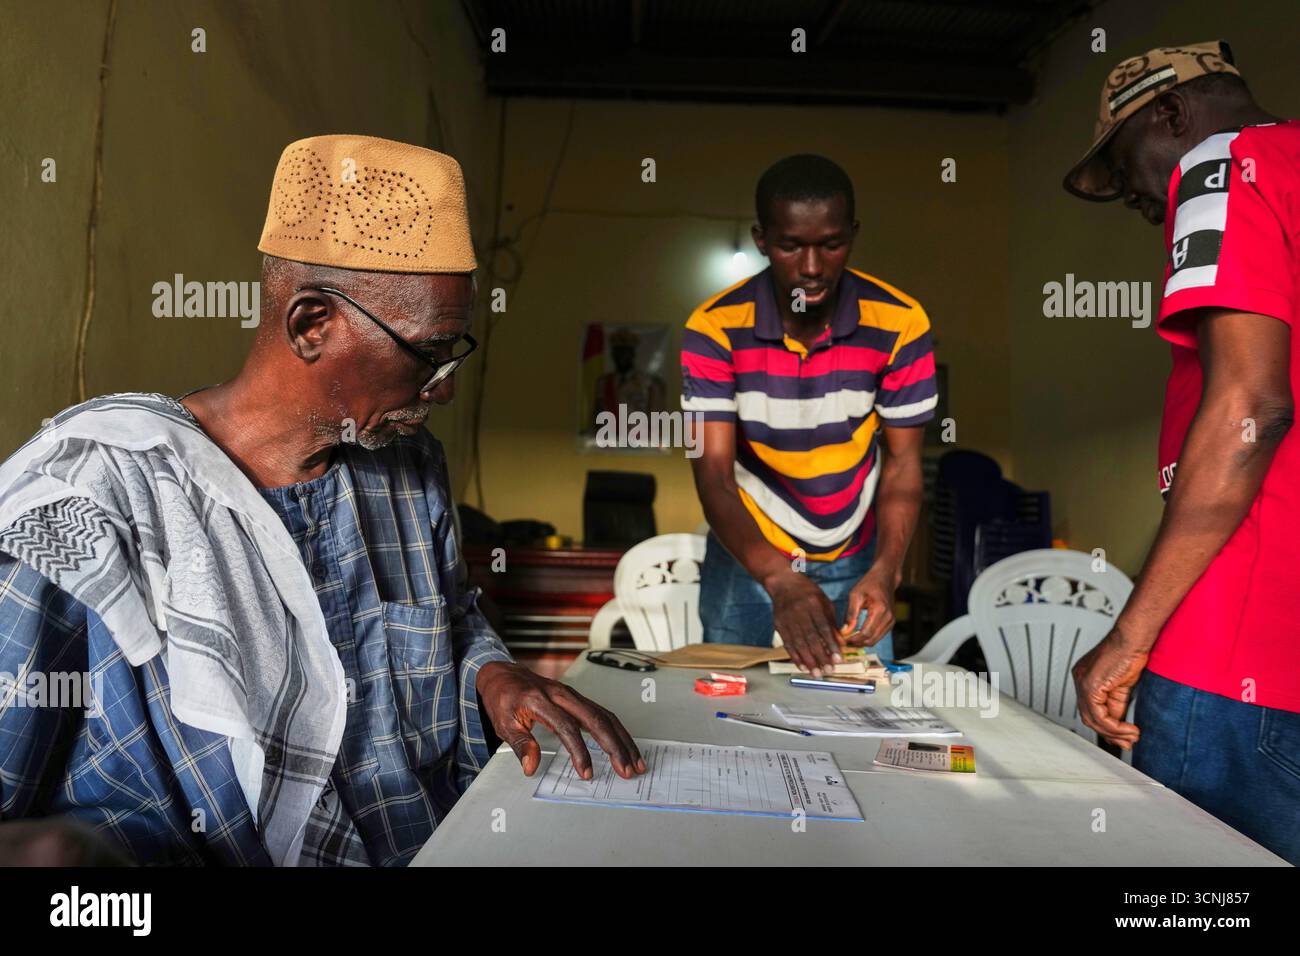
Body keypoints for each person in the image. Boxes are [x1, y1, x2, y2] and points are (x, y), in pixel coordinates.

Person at [0, 134, 643, 867]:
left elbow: (454, 621)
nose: (446, 385)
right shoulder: (86, 501)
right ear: (312, 324)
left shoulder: (407, 465)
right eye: (429, 353)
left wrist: (496, 676)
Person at [1065, 42, 1300, 864]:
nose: (1141, 199)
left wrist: (1129, 639)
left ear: (1171, 113)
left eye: (1132, 172)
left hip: (1236, 668)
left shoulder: (1223, 163)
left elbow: (1253, 411)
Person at [681, 154, 937, 676]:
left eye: (831, 244)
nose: (813, 267)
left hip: (856, 554)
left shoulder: (901, 322)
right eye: (790, 245)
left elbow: (904, 465)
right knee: (727, 705)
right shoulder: (713, 328)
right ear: (760, 238)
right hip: (746, 557)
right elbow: (712, 475)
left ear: (854, 235)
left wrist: (887, 573)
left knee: (862, 716)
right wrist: (778, 578)